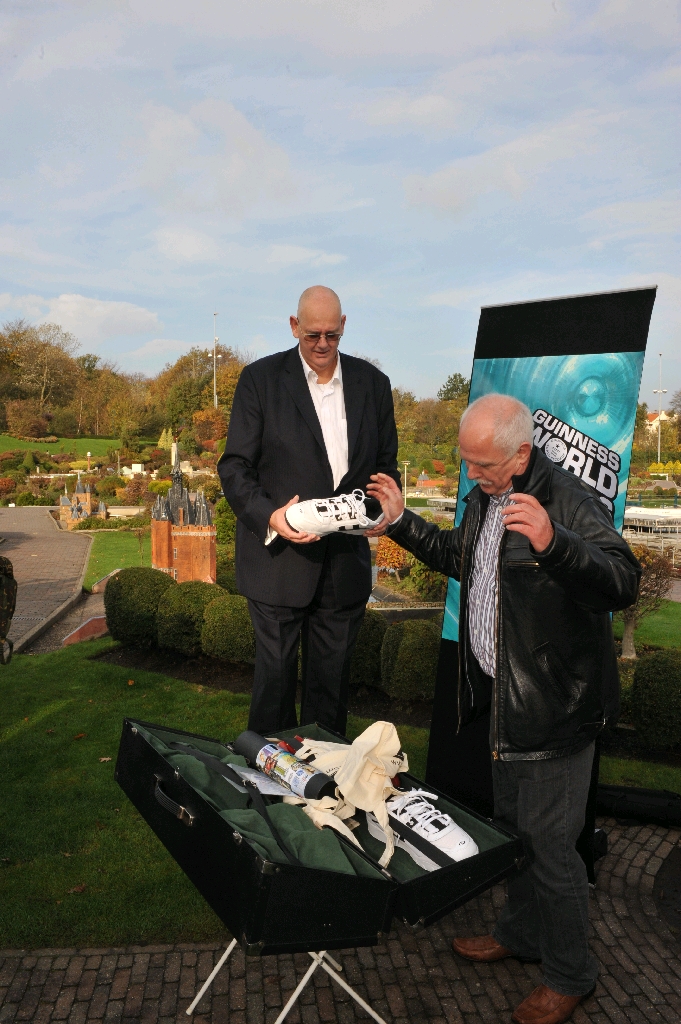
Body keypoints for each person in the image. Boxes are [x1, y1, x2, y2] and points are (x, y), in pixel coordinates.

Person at [366, 393, 640, 1024]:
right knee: (517, 835)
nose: (471, 475)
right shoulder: (488, 494)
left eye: (481, 464)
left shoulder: (567, 498)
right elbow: (460, 559)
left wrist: (554, 542)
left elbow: (621, 580)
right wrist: (402, 522)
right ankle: (520, 936)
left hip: (554, 712)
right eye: (466, 463)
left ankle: (572, 975)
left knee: (551, 849)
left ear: (522, 453)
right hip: (506, 704)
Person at [218, 285, 399, 735]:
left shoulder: (373, 385)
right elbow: (235, 467)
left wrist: (379, 511)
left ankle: (323, 793)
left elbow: (384, 468)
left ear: (343, 327)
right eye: (312, 334)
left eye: (332, 335)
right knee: (275, 686)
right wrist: (270, 516)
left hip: (344, 565)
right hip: (279, 561)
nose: (322, 344)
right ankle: (269, 788)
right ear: (294, 326)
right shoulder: (259, 380)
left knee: (332, 690)